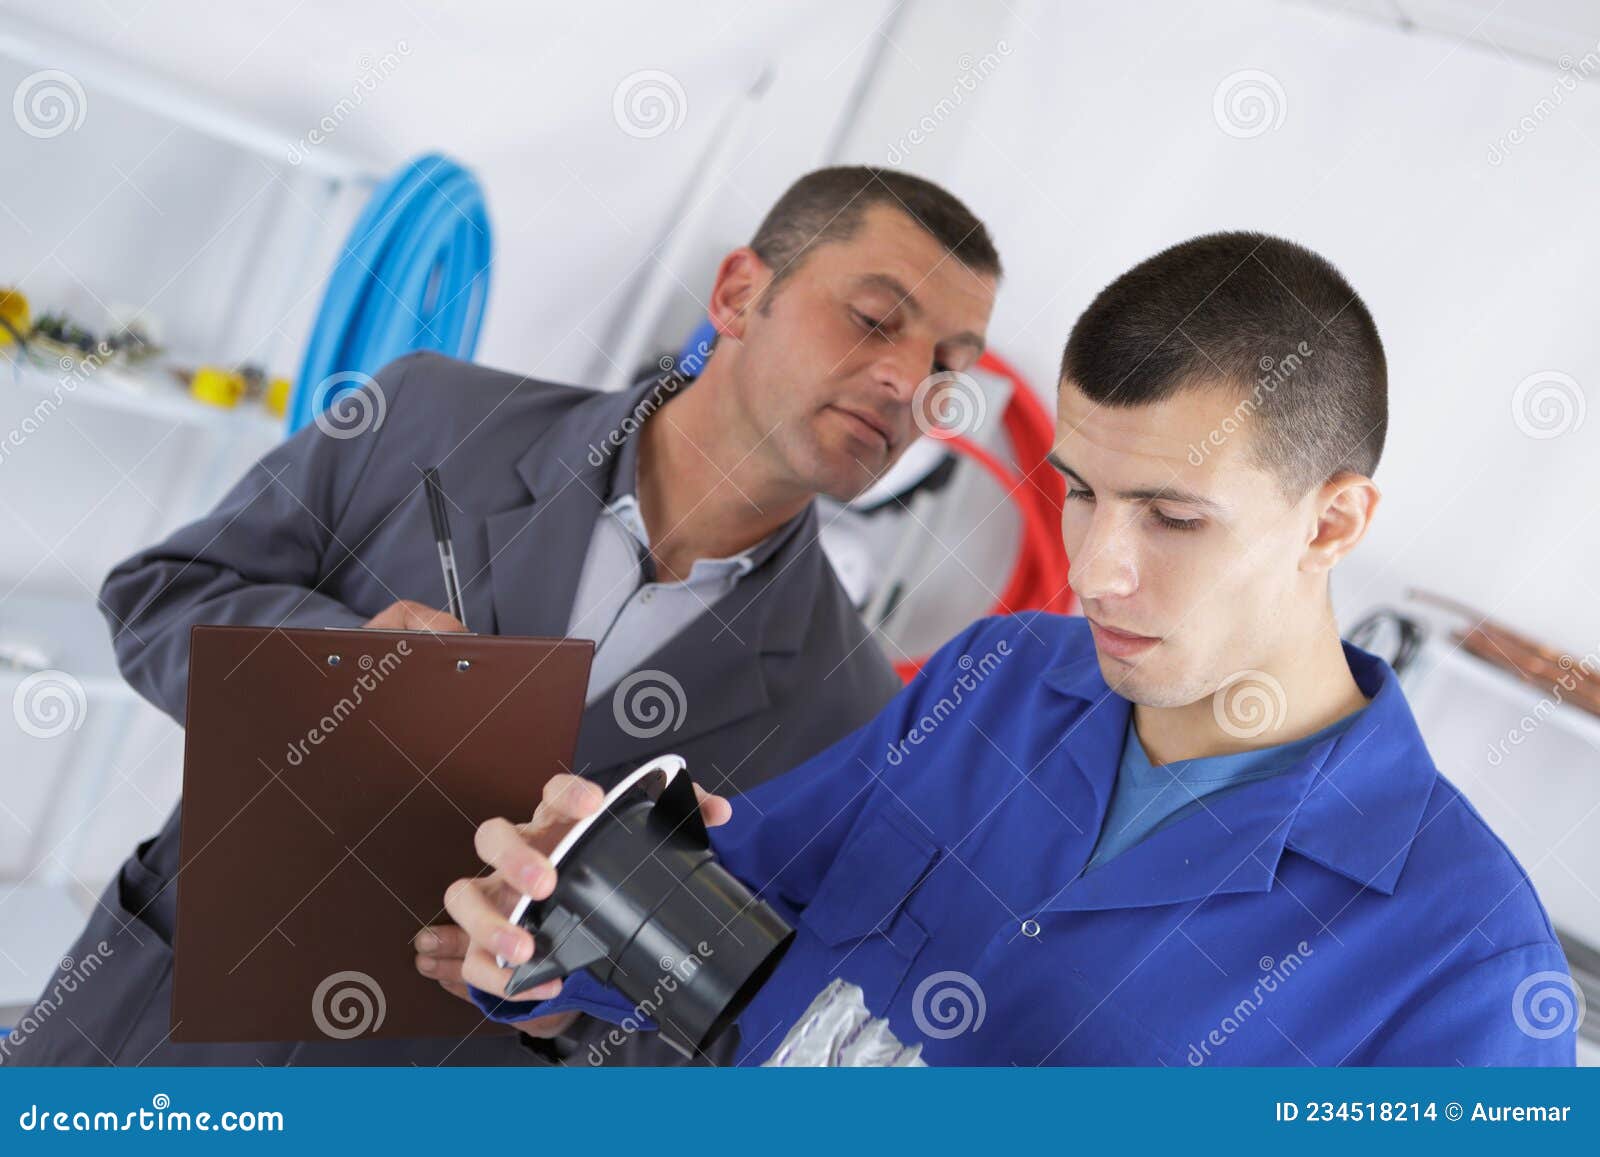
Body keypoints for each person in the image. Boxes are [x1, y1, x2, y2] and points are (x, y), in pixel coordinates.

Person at [451, 232, 1576, 1066]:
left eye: (1172, 516)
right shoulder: (999, 677)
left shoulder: (1461, 964)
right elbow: (730, 930)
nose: (1094, 568)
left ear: (1330, 524)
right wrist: (555, 922)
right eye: (1081, 492)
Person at [4, 167, 1000, 1066]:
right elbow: (159, 593)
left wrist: (570, 1014)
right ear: (740, 292)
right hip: (151, 1031)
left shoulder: (854, 710)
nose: (910, 384)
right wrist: (331, 659)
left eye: (950, 365)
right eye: (875, 320)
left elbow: (733, 1032)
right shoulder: (429, 415)